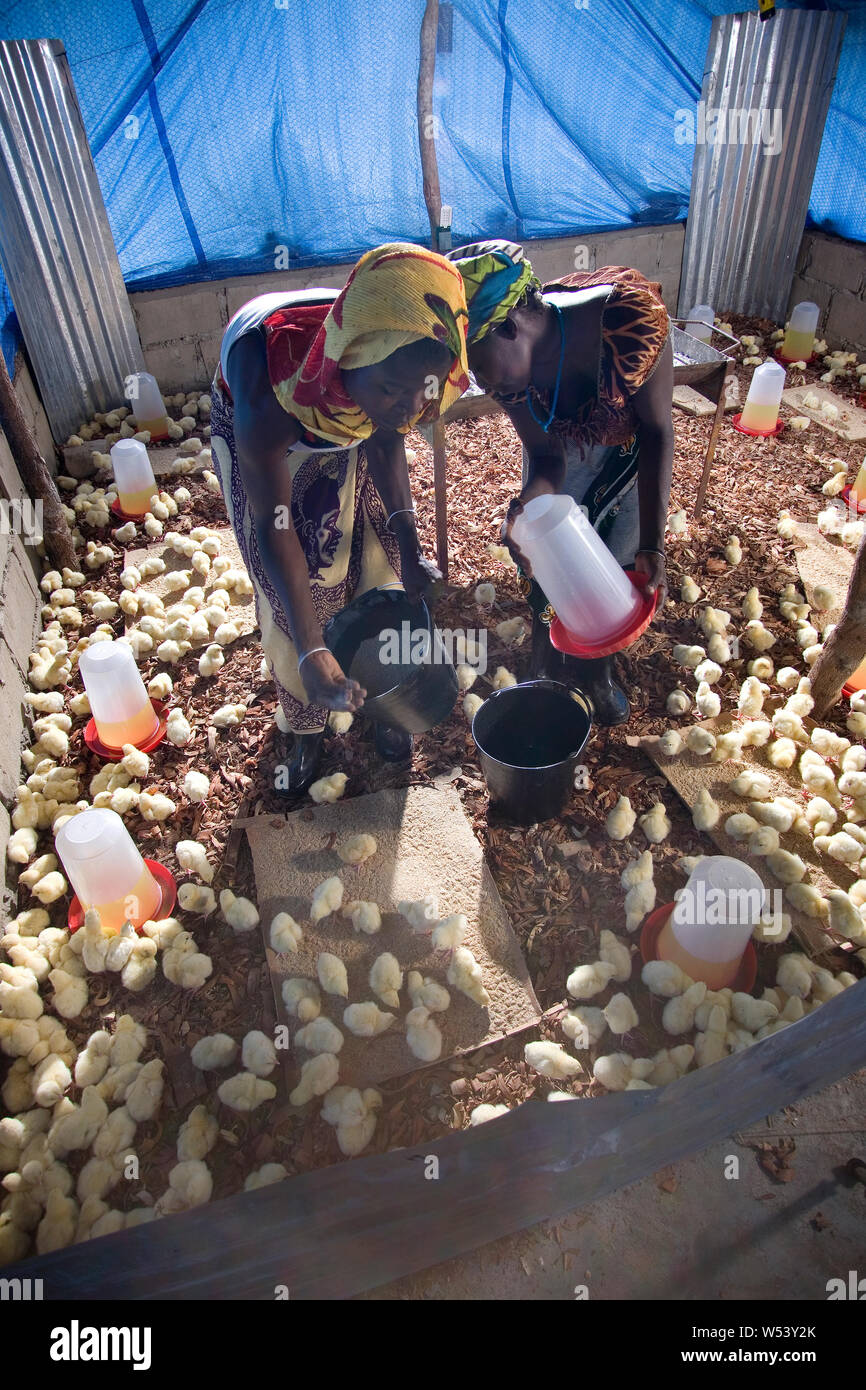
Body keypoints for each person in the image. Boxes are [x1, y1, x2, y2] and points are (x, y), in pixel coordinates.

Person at [210, 243, 469, 789]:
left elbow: (387, 439)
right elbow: (272, 524)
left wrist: (413, 544)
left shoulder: (401, 358)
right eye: (393, 391)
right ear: (348, 357)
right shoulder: (267, 391)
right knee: (294, 577)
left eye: (423, 395)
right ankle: (307, 725)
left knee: (376, 550)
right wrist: (311, 644)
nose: (410, 409)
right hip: (280, 423)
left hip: (346, 404)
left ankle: (387, 700)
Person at [447, 240, 673, 724]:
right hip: (560, 451)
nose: (487, 389)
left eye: (482, 371)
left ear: (509, 327)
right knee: (551, 563)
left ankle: (597, 672)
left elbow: (657, 433)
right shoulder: (514, 375)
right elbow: (547, 456)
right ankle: (545, 661)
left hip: (628, 460)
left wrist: (654, 543)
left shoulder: (629, 326)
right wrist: (526, 509)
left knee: (612, 567)